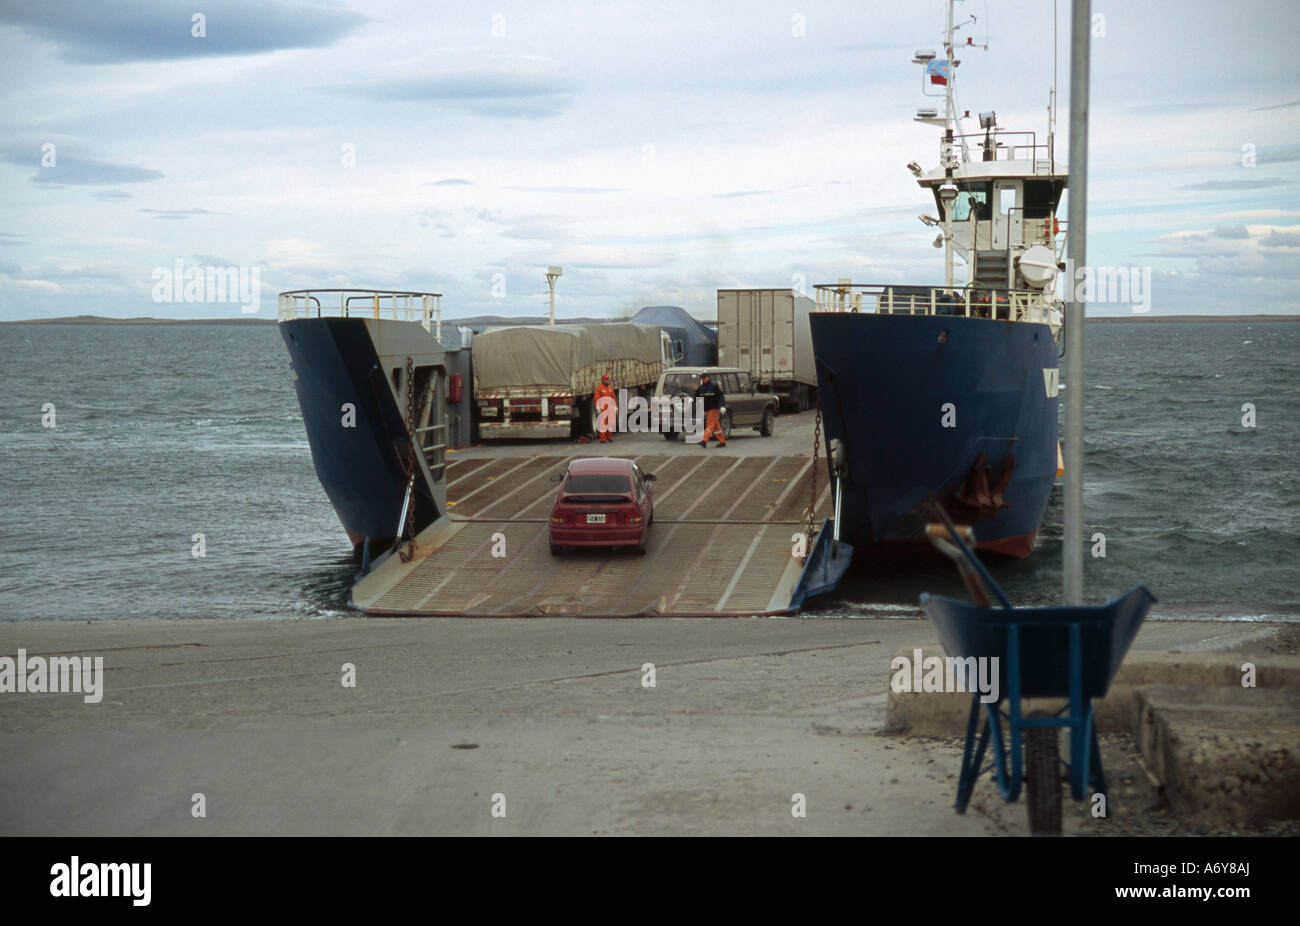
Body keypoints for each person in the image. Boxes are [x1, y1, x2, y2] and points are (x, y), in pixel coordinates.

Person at [693, 372, 726, 448]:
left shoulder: (714, 386)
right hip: (707, 409)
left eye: (704, 378)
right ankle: (722, 441)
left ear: (708, 378)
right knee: (716, 427)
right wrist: (692, 399)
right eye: (702, 378)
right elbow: (696, 395)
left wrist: (723, 406)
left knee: (709, 425)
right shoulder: (701, 388)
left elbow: (720, 396)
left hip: (714, 408)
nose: (703, 380)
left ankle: (704, 441)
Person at [594, 373, 617, 443]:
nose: (606, 381)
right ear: (602, 380)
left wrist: (615, 407)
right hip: (603, 408)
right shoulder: (599, 388)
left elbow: (613, 397)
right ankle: (603, 439)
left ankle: (609, 437)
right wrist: (598, 408)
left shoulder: (610, 388)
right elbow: (596, 398)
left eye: (607, 379)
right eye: (605, 379)